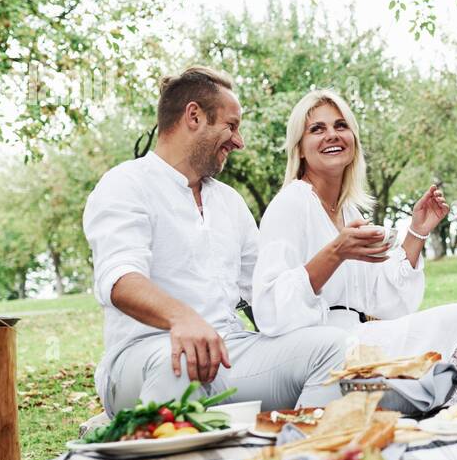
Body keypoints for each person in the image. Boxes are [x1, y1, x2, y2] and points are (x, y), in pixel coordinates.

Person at [83, 66, 348, 415]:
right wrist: (182, 319)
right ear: (194, 116)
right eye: (232, 126)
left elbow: (261, 294)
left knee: (335, 347)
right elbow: (119, 279)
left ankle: (295, 457)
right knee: (178, 363)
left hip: (229, 352)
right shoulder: (125, 184)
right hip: (143, 356)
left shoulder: (229, 201)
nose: (238, 141)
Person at [251, 89, 457, 418]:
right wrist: (336, 252)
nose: (332, 135)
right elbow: (270, 307)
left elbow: (387, 301)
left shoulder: (349, 211)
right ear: (299, 147)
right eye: (317, 129)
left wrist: (417, 231)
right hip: (320, 348)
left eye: (341, 125)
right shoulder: (292, 202)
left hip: (361, 335)